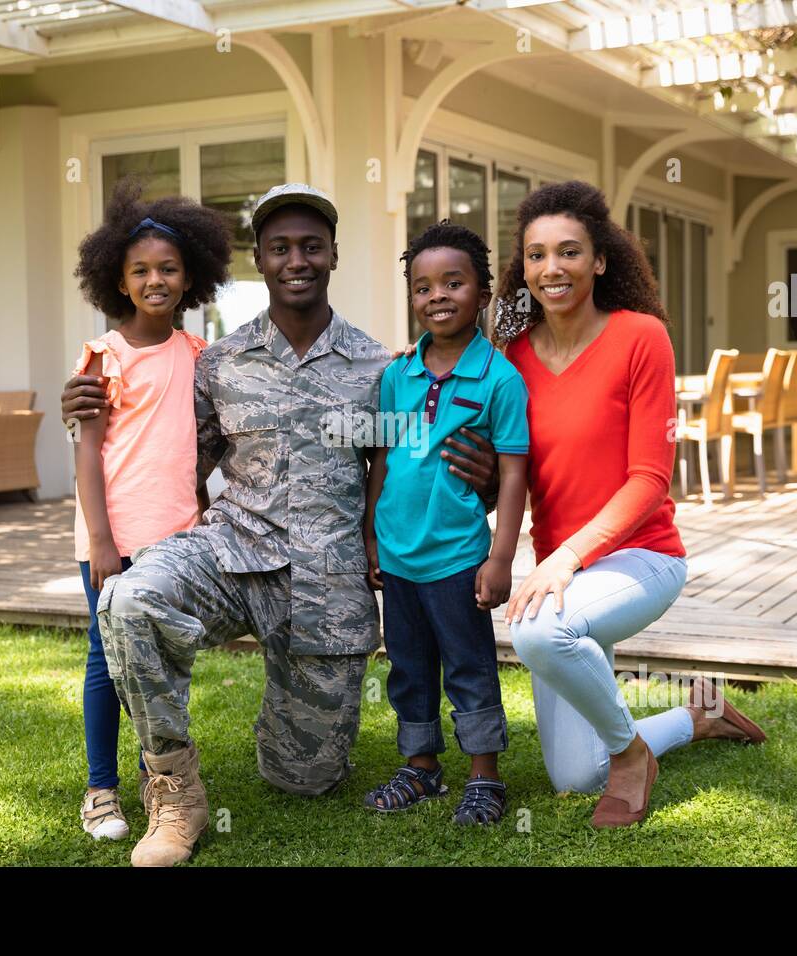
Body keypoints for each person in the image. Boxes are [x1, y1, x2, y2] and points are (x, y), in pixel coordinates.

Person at [60, 185, 504, 866]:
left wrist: (490, 479)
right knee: (132, 599)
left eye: (310, 246)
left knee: (301, 777)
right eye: (279, 248)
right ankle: (174, 789)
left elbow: (412, 464)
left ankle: (287, 710)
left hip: (328, 588)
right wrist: (88, 414)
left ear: (332, 256)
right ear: (258, 261)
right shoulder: (219, 361)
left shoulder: (378, 367)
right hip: (235, 555)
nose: (295, 259)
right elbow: (170, 450)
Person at [494, 181, 767, 828]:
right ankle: (695, 716)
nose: (551, 268)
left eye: (568, 252)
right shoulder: (513, 359)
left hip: (640, 560)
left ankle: (630, 757)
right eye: (535, 256)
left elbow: (649, 479)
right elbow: (507, 467)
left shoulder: (640, 337)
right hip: (567, 571)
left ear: (600, 260)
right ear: (522, 267)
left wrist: (563, 558)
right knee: (574, 775)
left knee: (536, 630)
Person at [70, 181, 231, 842]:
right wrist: (103, 539)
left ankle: (161, 776)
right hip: (114, 540)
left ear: (189, 275)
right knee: (105, 662)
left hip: (176, 543)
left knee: (160, 663)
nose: (156, 280)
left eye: (168, 268)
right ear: (119, 279)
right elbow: (87, 453)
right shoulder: (103, 358)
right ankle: (101, 789)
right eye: (141, 271)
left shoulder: (197, 356)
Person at [362, 221, 529, 825]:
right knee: (408, 666)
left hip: (458, 556)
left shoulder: (501, 380)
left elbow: (512, 475)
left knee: (468, 664)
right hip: (399, 558)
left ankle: (485, 776)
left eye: (453, 283)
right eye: (422, 286)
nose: (437, 296)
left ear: (483, 293)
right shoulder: (396, 376)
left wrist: (502, 556)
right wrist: (371, 535)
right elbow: (382, 457)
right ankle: (422, 767)